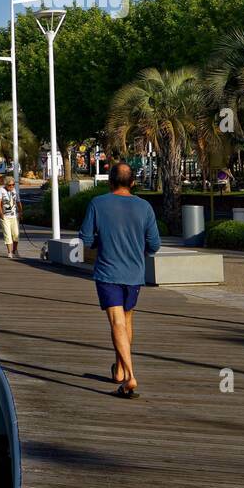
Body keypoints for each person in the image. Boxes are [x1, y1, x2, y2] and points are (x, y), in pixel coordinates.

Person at [78, 161, 161, 399]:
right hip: (135, 274)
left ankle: (130, 376)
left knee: (116, 322)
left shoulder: (97, 203)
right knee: (126, 321)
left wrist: (100, 243)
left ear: (110, 182)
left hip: (108, 272)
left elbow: (84, 238)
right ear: (133, 182)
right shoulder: (145, 207)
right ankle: (120, 370)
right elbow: (154, 244)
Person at [0, 176, 21, 258]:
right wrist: (0, 212)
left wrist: (21, 211)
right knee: (7, 234)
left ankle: (15, 250)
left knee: (16, 234)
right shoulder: (1, 190)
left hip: (14, 216)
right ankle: (9, 252)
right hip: (5, 216)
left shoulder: (14, 190)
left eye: (13, 185)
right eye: (10, 185)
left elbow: (18, 201)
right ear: (6, 185)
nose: (12, 186)